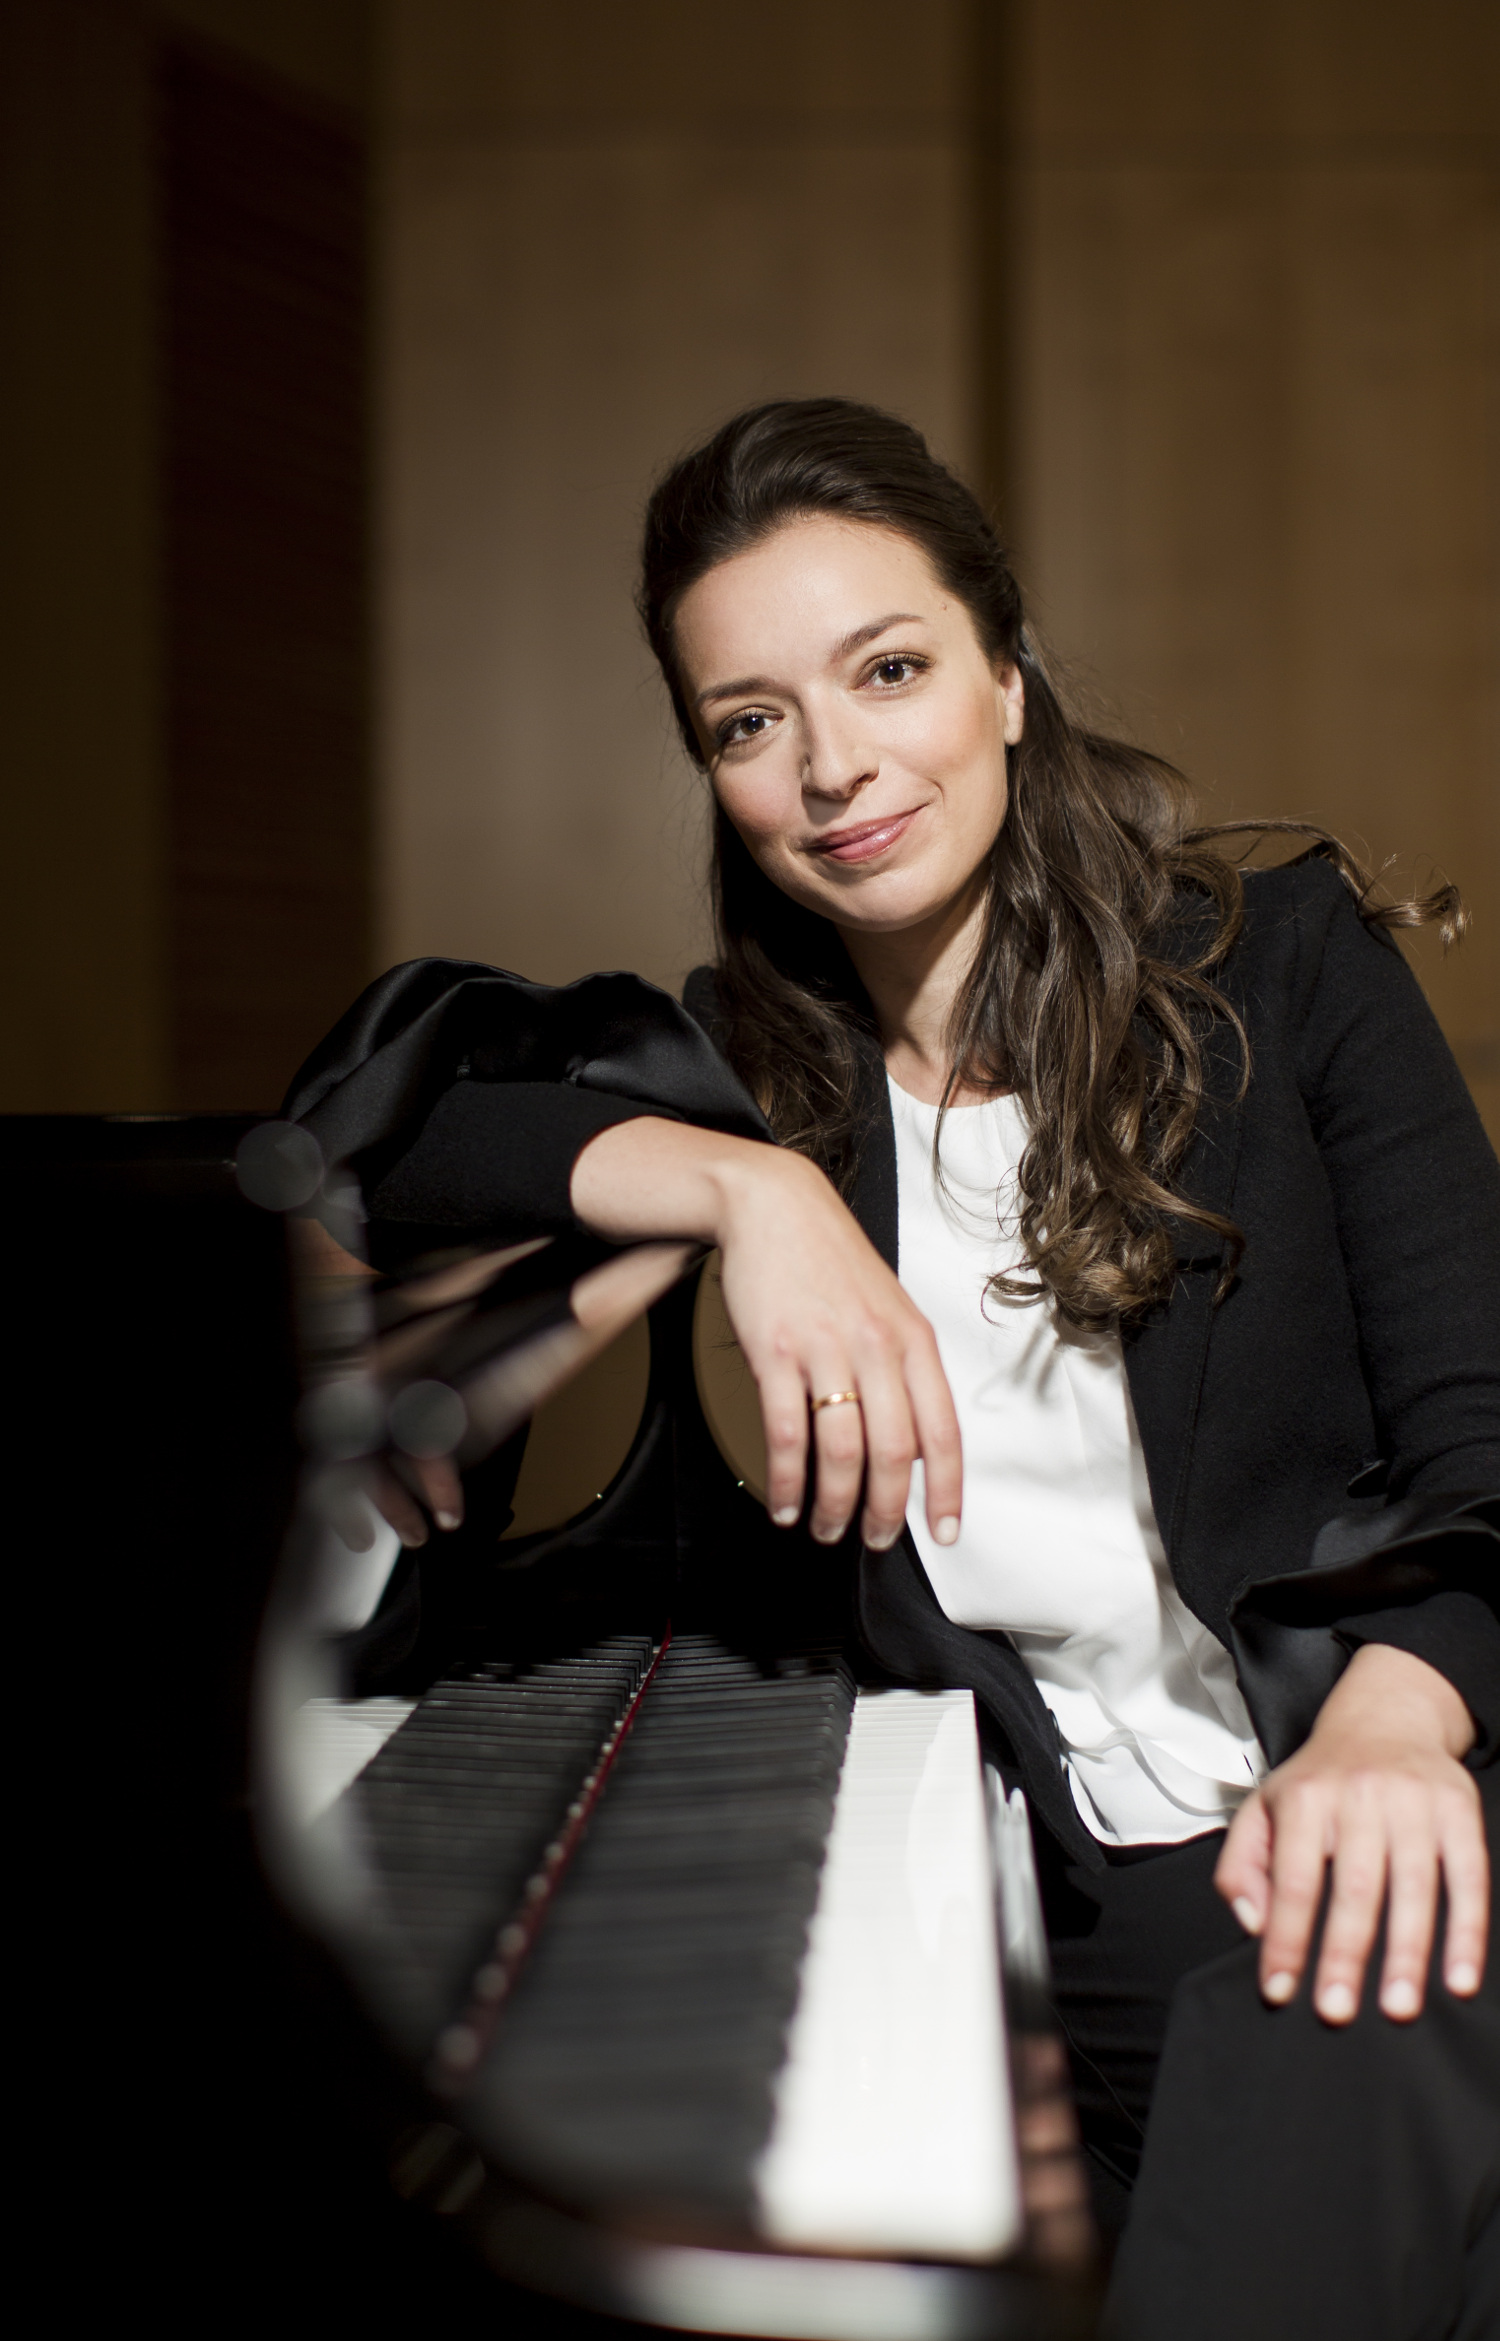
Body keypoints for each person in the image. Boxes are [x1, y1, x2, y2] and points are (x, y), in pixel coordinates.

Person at [287, 399, 1500, 2338]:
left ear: (1007, 679)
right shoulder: (759, 1079)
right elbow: (383, 1112)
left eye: (891, 669)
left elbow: (1486, 1421)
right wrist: (748, 1190)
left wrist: (1403, 1711)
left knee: (1348, 2024)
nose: (834, 764)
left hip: (1369, 1782)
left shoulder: (1285, 971)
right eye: (750, 720)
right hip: (1064, 1868)